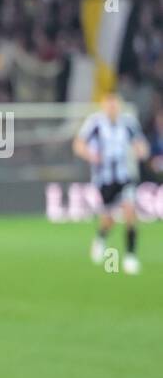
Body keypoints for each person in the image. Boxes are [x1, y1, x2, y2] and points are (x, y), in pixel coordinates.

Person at [75, 92, 148, 275]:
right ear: (103, 106)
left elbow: (141, 144)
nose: (112, 108)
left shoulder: (129, 123)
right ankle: (100, 238)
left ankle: (131, 256)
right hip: (104, 178)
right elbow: (79, 144)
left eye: (114, 104)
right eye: (109, 104)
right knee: (109, 218)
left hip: (125, 176)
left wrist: (141, 152)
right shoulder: (95, 123)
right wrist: (91, 155)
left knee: (130, 212)